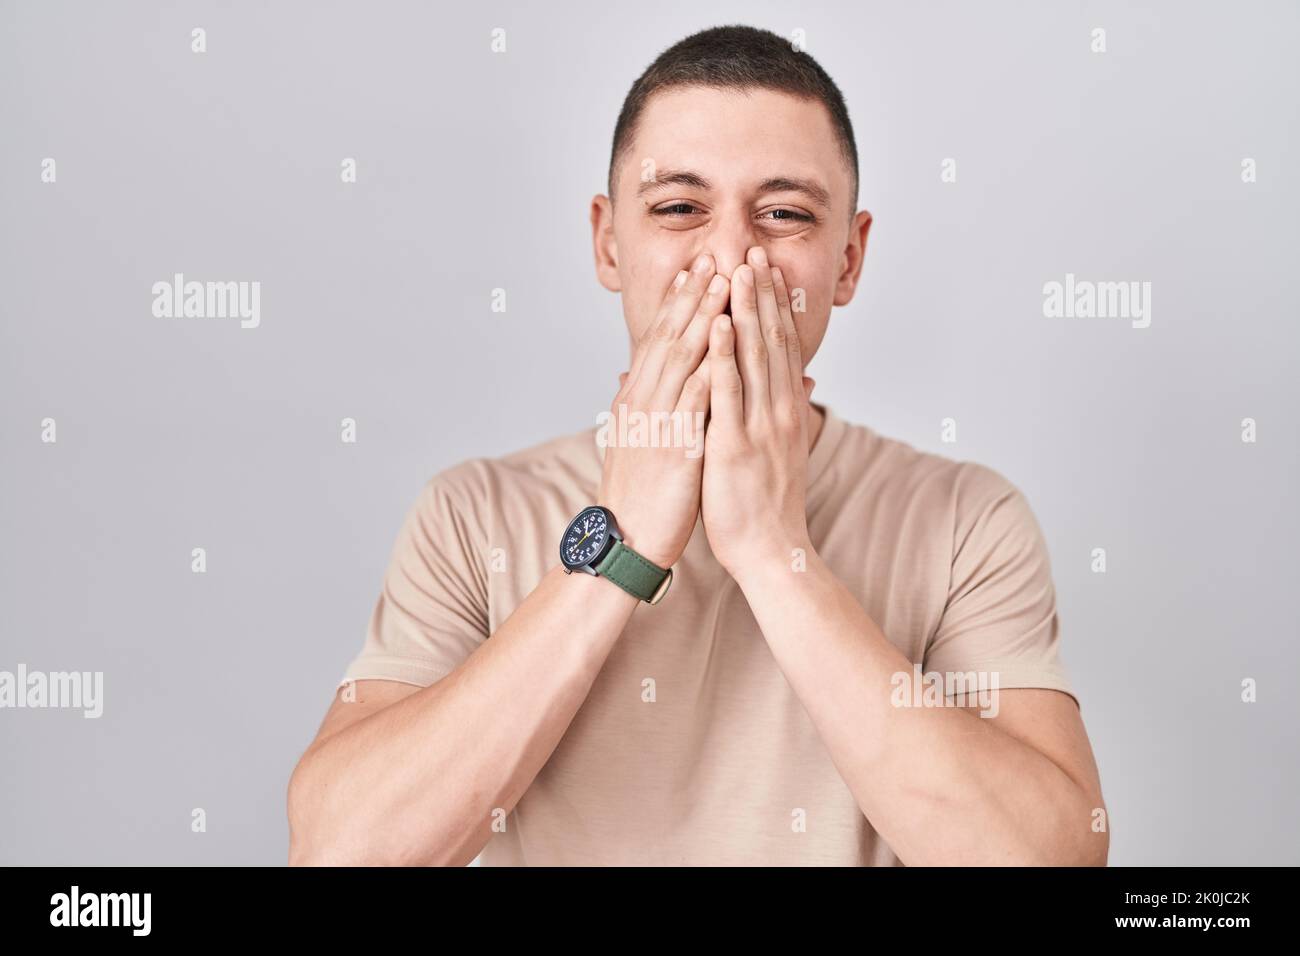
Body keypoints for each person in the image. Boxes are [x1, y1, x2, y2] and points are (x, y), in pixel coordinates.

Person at [287, 24, 1107, 866]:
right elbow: (340, 851)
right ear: (609, 241)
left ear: (849, 259)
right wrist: (623, 540)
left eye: (785, 215)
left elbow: (1052, 857)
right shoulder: (473, 513)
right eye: (680, 208)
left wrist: (771, 548)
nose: (728, 258)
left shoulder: (965, 518)